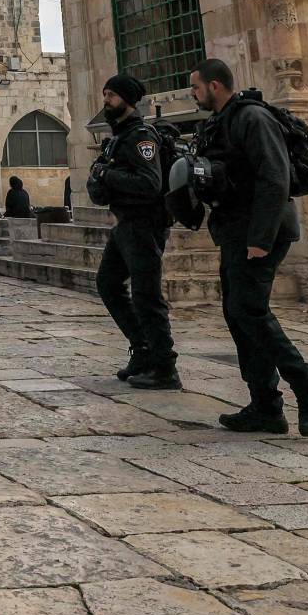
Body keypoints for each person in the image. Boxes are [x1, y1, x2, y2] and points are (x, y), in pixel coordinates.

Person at [189, 58, 308, 438]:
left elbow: (274, 178)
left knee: (249, 310)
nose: (194, 94)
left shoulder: (252, 118)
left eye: (197, 88)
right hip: (236, 230)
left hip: (259, 231)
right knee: (238, 315)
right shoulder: (219, 123)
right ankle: (265, 406)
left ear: (215, 86)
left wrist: (259, 240)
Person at [87, 74, 178, 391]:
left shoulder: (141, 137)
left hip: (144, 224)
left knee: (146, 296)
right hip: (125, 223)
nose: (106, 101)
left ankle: (164, 367)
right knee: (108, 284)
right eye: (105, 95)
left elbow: (149, 184)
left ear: (126, 98)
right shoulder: (118, 138)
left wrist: (109, 175)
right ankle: (142, 350)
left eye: (111, 95)